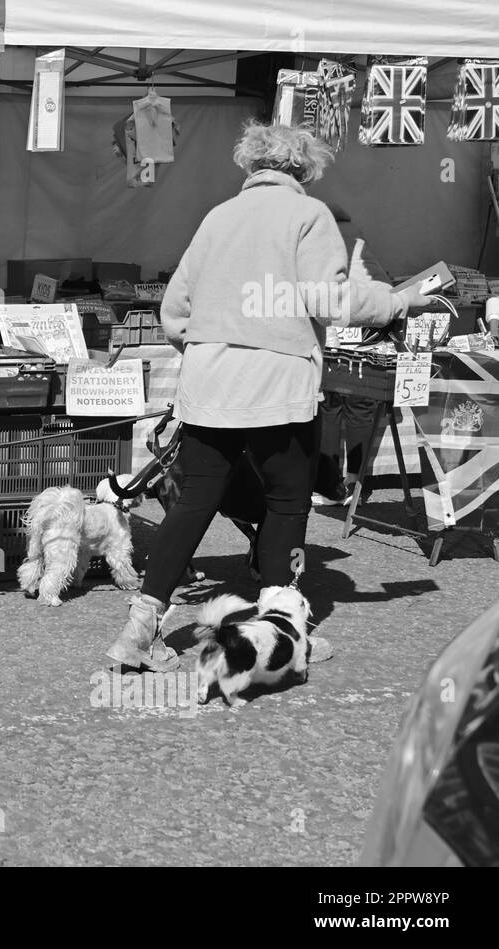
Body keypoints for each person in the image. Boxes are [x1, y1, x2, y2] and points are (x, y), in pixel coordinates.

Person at [107, 122, 437, 673]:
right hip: (278, 386)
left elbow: (175, 311)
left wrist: (213, 348)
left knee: (192, 505)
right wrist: (397, 302)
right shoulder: (308, 215)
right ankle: (283, 633)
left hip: (210, 383)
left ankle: (138, 631)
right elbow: (330, 298)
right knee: (286, 503)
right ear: (304, 168)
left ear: (250, 166)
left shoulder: (217, 217)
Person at [312, 201, 391, 506]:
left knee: (331, 407)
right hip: (364, 330)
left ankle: (329, 485)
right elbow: (381, 284)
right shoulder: (358, 238)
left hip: (334, 328)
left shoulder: (323, 237)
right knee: (360, 407)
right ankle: (355, 482)